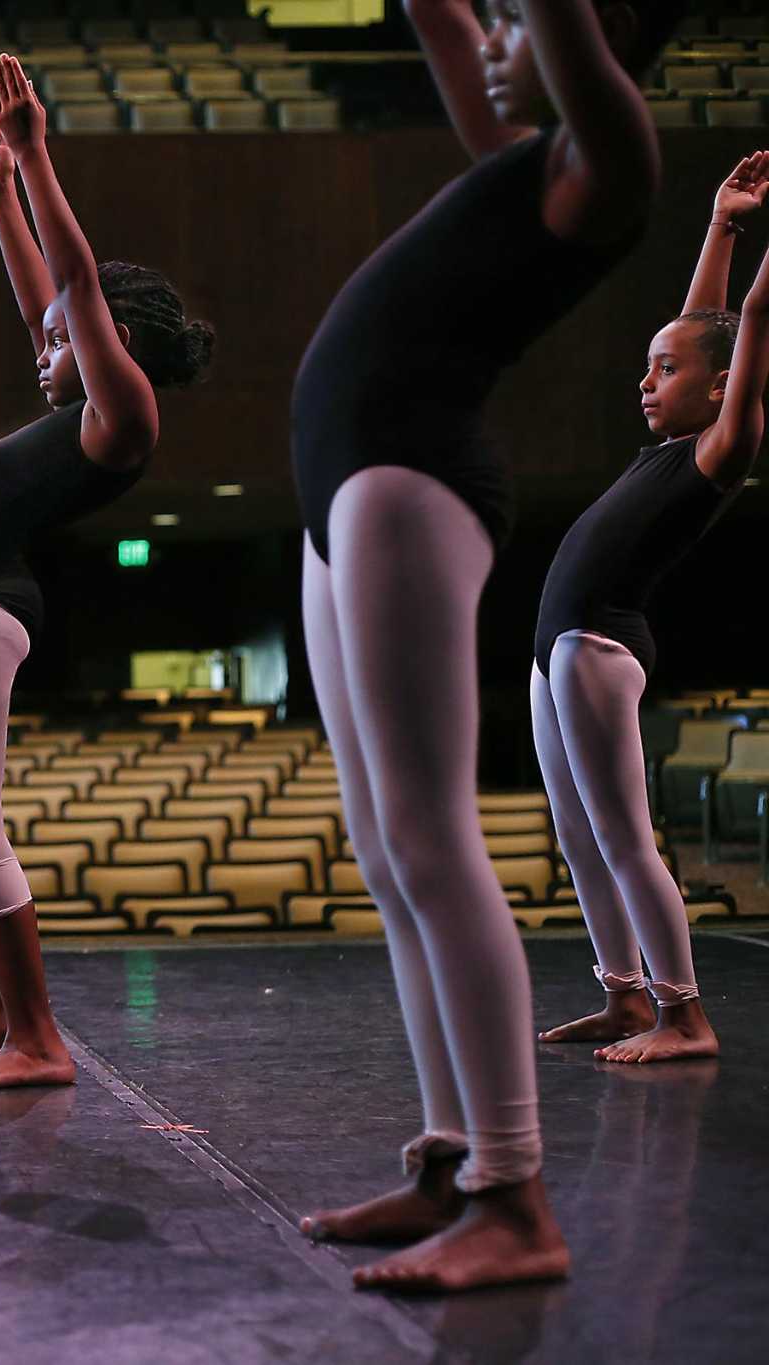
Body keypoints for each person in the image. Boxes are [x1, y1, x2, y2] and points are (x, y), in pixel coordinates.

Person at [291, 0, 681, 1294]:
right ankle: (452, 1163)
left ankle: (517, 1199)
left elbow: (557, 44)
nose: (498, 26)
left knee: (430, 834)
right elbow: (465, 57)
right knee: (384, 848)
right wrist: (443, 18)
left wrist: (541, 19)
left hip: (410, 472)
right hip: (345, 485)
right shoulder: (530, 163)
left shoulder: (610, 163)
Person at [0, 58, 211, 1090]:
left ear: (108, 341)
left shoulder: (125, 419)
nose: (40, 348)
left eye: (61, 341)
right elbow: (51, 296)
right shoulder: (79, 406)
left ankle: (36, 1039)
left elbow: (71, 291)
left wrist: (34, 158)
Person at [531, 152, 769, 1065]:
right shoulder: (672, 437)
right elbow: (706, 321)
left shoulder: (720, 448)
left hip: (597, 641)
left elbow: (741, 323)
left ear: (718, 388)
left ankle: (686, 1013)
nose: (646, 379)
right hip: (556, 646)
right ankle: (626, 997)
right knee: (576, 833)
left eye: (664, 370)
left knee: (624, 834)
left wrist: (752, 286)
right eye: (645, 365)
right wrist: (722, 224)